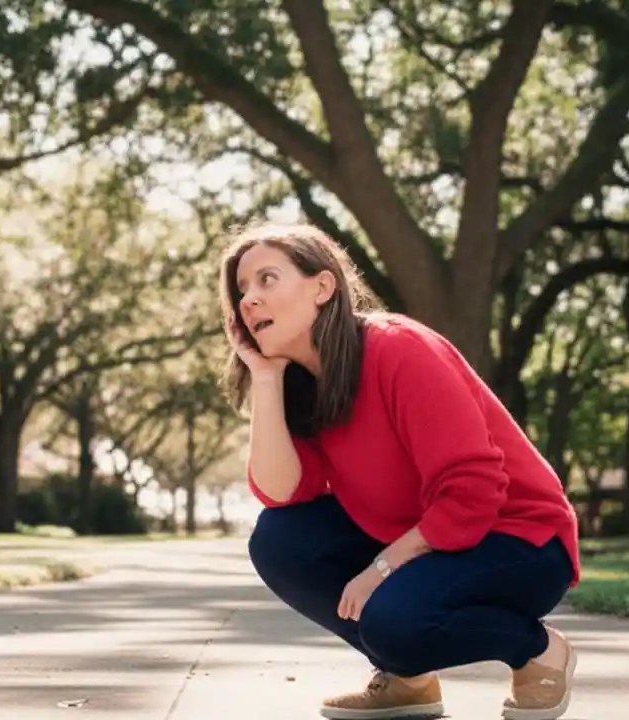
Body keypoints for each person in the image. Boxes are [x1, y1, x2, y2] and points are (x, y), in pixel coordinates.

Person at [220, 223, 581, 720]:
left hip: (519, 541)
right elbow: (283, 493)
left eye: (266, 279)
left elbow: (474, 489)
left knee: (393, 622)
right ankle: (407, 680)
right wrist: (265, 378)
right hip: (428, 543)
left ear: (322, 287)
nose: (249, 301)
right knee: (280, 541)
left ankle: (536, 650)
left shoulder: (397, 348)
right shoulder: (304, 385)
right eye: (242, 291)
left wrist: (381, 569)